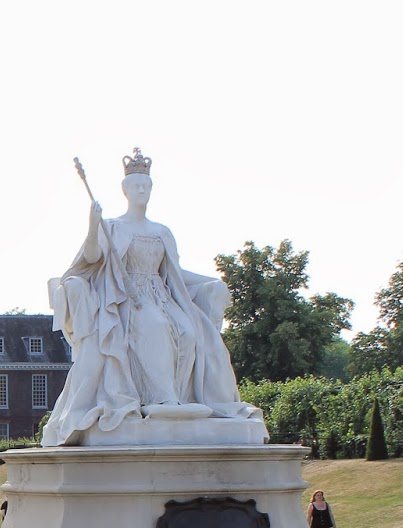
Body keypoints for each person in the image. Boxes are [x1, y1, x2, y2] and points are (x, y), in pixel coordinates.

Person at [41, 148, 257, 447]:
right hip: (126, 300)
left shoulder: (162, 231)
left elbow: (176, 274)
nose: (141, 190)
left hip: (163, 295)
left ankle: (179, 400)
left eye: (146, 186)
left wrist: (213, 284)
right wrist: (93, 226)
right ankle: (163, 398)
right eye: (135, 186)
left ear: (151, 190)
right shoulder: (113, 226)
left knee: (188, 331)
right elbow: (93, 257)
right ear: (125, 191)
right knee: (154, 325)